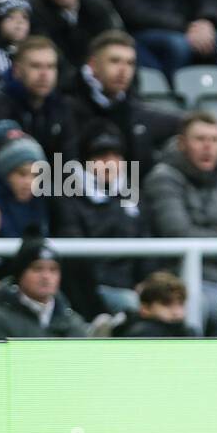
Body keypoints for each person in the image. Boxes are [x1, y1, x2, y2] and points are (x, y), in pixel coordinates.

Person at [145, 110, 217, 333]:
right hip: (179, 284)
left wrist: (211, 241)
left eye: (214, 140)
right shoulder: (163, 177)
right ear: (182, 143)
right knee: (210, 309)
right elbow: (177, 234)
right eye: (200, 139)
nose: (208, 147)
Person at [50, 120, 156, 317]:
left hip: (132, 289)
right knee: (133, 306)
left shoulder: (136, 197)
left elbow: (146, 249)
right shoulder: (67, 198)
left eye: (116, 155)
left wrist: (147, 285)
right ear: (85, 161)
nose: (110, 163)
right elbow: (77, 259)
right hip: (91, 291)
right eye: (101, 156)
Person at [66, 29, 180, 166]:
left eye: (130, 63)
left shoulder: (134, 109)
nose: (123, 70)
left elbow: (184, 123)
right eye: (115, 61)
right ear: (93, 65)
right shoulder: (65, 104)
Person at [0, 35, 78, 167]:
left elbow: (68, 164)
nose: (44, 74)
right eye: (36, 66)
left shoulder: (61, 105)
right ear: (17, 71)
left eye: (50, 67)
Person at [27, 0, 124, 91]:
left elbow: (117, 46)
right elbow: (49, 60)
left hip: (97, 83)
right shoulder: (34, 11)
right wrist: (84, 83)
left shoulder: (98, 6)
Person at [0, 233, 90, 339]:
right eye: (37, 269)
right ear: (20, 274)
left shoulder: (73, 322)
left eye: (53, 270)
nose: (46, 276)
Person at [0, 120, 49, 239]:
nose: (29, 182)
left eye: (35, 175)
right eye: (22, 174)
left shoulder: (40, 196)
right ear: (5, 173)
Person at [114, 269, 197, 337]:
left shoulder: (188, 332)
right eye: (166, 304)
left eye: (180, 304)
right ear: (145, 308)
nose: (176, 312)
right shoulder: (142, 334)